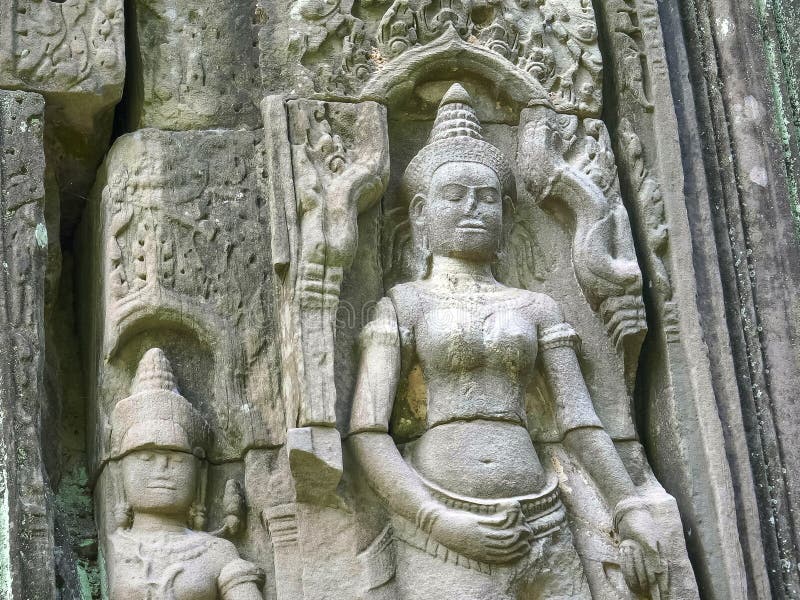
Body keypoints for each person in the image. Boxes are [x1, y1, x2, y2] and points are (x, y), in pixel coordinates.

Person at [349, 84, 665, 599]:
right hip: (443, 524)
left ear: (508, 217)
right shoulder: (406, 304)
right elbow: (367, 431)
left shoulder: (535, 308)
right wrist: (436, 519)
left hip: (542, 519)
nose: (474, 208)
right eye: (456, 196)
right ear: (423, 216)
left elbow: (580, 423)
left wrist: (628, 509)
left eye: (488, 197)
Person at [105, 348, 265, 600]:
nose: (162, 468)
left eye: (176, 458)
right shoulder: (110, 549)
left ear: (200, 471)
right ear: (118, 471)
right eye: (146, 457)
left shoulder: (217, 553)